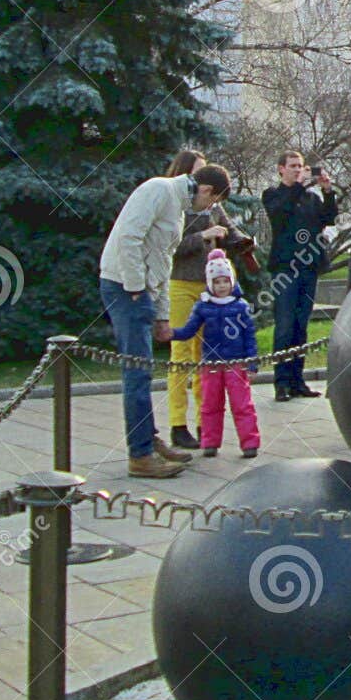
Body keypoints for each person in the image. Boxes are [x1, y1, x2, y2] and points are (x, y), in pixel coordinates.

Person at [99, 162, 231, 478]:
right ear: (206, 190)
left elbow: (162, 262)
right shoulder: (159, 190)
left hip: (141, 289)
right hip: (124, 286)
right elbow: (129, 238)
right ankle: (140, 455)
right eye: (212, 202)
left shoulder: (178, 207)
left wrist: (161, 314)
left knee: (141, 370)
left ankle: (146, 439)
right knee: (137, 371)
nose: (209, 209)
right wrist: (133, 286)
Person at [166, 193, 254, 449]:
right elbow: (171, 247)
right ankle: (177, 424)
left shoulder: (214, 207)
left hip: (210, 288)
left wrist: (242, 241)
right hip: (182, 283)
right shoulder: (177, 206)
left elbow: (230, 230)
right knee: (181, 354)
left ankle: (203, 423)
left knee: (206, 356)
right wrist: (201, 236)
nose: (211, 194)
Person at [261, 150, 337, 403]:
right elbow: (279, 215)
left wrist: (327, 192)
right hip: (285, 268)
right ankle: (281, 382)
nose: (297, 170)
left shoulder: (310, 198)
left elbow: (328, 218)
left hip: (308, 267)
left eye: (300, 166)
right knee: (284, 325)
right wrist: (298, 186)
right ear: (281, 169)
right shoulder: (273, 195)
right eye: (292, 166)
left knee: (300, 326)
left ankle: (297, 380)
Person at [172, 250, 262, 459]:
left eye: (225, 281)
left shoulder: (240, 307)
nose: (222, 286)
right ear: (210, 283)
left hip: (237, 363)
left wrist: (252, 362)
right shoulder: (202, 307)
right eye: (217, 281)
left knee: (242, 405)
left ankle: (250, 442)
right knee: (210, 404)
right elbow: (189, 330)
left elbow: (249, 336)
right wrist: (172, 334)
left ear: (232, 281)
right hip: (211, 364)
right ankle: (210, 441)